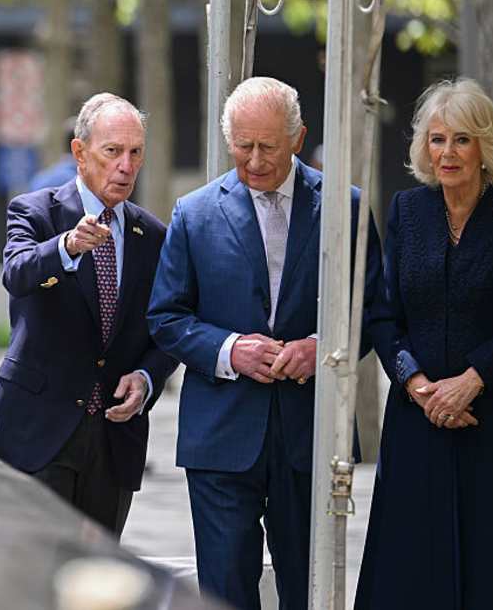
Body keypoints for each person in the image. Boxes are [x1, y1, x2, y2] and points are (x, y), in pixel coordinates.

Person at [147, 77, 383, 610]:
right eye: (243, 145)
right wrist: (230, 350)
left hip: (310, 434)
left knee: (308, 589)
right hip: (221, 437)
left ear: (298, 138)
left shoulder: (345, 209)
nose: (253, 160)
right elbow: (165, 316)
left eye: (268, 146)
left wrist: (321, 349)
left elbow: (374, 309)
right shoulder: (194, 213)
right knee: (224, 591)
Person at [355, 79, 493, 609]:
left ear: (485, 147)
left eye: (462, 139)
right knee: (413, 563)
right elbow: (385, 315)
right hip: (418, 417)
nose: (448, 152)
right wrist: (416, 384)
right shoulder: (407, 211)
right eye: (437, 139)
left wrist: (471, 382)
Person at [0, 93, 178, 535]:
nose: (125, 166)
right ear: (79, 152)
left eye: (135, 153)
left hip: (112, 442)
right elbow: (17, 273)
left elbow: (168, 325)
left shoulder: (152, 235)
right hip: (36, 432)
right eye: (112, 152)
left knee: (98, 581)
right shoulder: (36, 211)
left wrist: (148, 377)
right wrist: (67, 247)